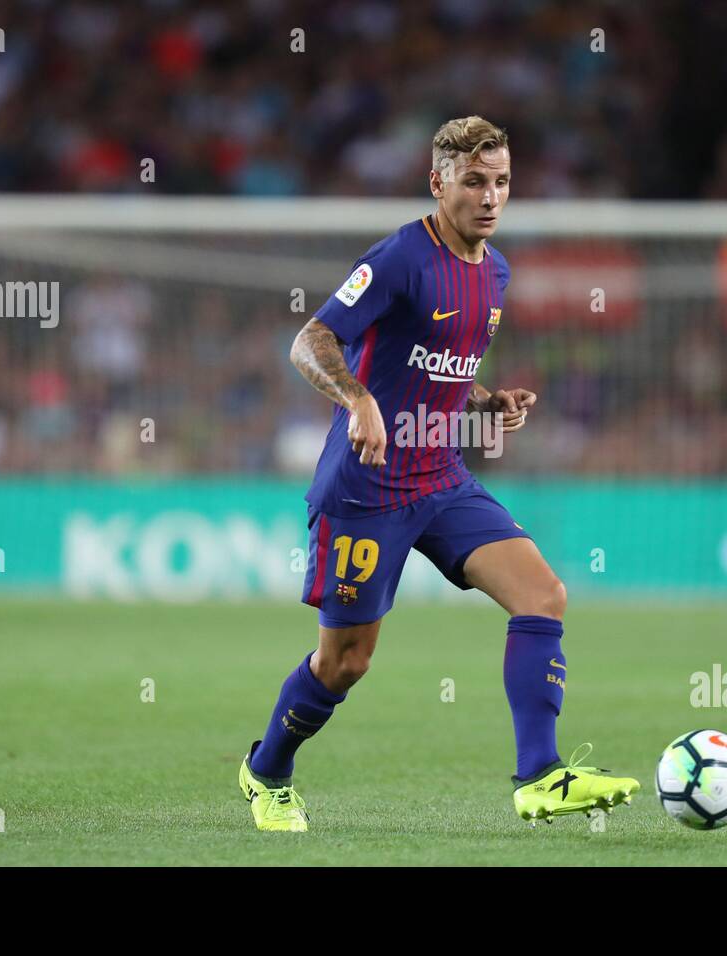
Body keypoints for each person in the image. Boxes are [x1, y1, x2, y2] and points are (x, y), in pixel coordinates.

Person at [239, 116, 639, 831]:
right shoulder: (400, 258)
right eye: (475, 181)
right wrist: (356, 400)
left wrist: (486, 400)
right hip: (365, 486)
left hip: (441, 478)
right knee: (346, 665)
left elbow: (440, 364)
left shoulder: (497, 270)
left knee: (543, 596)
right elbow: (311, 339)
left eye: (503, 182)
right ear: (438, 183)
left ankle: (540, 776)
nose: (491, 197)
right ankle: (267, 770)